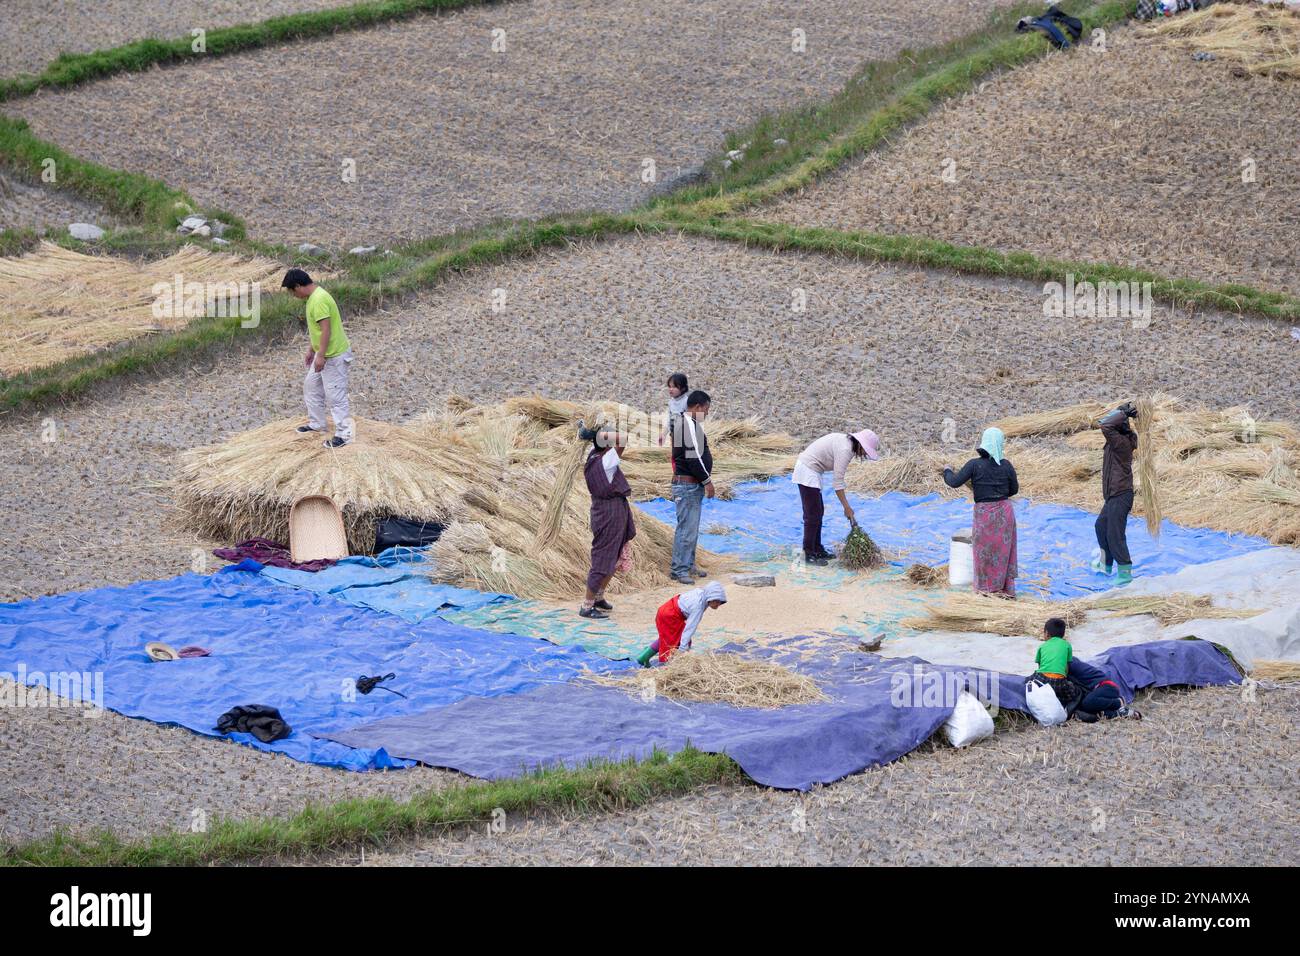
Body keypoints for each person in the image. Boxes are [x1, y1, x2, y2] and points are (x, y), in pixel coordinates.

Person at [943, 426, 1019, 596]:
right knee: (1003, 552)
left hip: (984, 515)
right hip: (1004, 514)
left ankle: (985, 590)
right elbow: (1014, 490)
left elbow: (954, 482)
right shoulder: (1006, 466)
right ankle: (1003, 589)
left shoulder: (974, 465)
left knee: (983, 552)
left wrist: (946, 470)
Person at [283, 268, 353, 448]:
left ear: (298, 286)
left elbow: (326, 329)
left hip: (334, 355)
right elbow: (318, 331)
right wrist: (312, 350)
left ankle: (344, 435)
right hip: (322, 353)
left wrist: (320, 355)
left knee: (335, 395)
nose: (293, 295)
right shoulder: (312, 299)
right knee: (311, 387)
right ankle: (317, 424)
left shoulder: (319, 300)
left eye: (292, 291)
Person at [792, 428, 881, 565]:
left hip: (814, 472)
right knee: (812, 515)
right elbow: (838, 483)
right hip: (807, 470)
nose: (864, 454)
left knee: (818, 512)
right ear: (861, 445)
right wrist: (847, 507)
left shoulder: (847, 445)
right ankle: (808, 553)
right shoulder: (845, 449)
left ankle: (817, 548)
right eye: (865, 451)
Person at [578, 423, 636, 620]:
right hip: (609, 513)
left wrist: (594, 433)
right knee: (603, 557)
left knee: (613, 555)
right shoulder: (607, 460)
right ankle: (587, 606)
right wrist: (600, 432)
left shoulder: (593, 455)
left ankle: (598, 597)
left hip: (606, 510)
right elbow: (623, 438)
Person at [670, 390, 714, 584]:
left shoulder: (686, 423)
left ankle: (688, 564)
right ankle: (679, 569)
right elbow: (693, 457)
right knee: (687, 528)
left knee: (691, 527)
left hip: (690, 485)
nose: (706, 414)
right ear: (698, 407)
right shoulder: (687, 425)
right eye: (706, 409)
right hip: (687, 485)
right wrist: (707, 481)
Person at [1093, 402, 1139, 586]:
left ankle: (1125, 571)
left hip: (1121, 494)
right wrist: (1119, 413)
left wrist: (1121, 413)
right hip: (1114, 494)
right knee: (1100, 526)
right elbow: (1105, 422)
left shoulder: (1121, 443)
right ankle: (1106, 563)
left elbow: (1106, 425)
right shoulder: (1118, 440)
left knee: (1115, 533)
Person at [636, 581, 727, 666]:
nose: (717, 604)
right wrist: (682, 650)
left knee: (668, 638)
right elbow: (690, 628)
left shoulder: (701, 593)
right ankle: (669, 666)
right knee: (675, 643)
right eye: (715, 601)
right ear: (709, 597)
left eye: (719, 601)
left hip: (667, 609)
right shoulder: (698, 607)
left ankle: (644, 656)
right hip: (670, 615)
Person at [1028, 617, 1083, 715]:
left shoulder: (1042, 646)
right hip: (1059, 682)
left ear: (1047, 633)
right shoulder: (1067, 645)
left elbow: (1040, 667)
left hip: (1042, 680)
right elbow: (1066, 668)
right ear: (1063, 634)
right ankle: (1067, 707)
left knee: (1028, 680)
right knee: (1075, 691)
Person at [1069, 657, 1142, 722]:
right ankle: (1122, 713)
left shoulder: (1070, 663)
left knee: (1087, 702)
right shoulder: (1064, 665)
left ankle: (1119, 702)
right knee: (1086, 710)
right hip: (1094, 693)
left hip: (1106, 686)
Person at [658, 373, 689, 448]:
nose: (671, 389)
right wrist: (664, 434)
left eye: (674, 387)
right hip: (674, 434)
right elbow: (670, 419)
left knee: (683, 455)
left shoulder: (686, 402)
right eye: (669, 386)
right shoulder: (671, 402)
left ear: (683, 388)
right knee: (675, 454)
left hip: (685, 436)